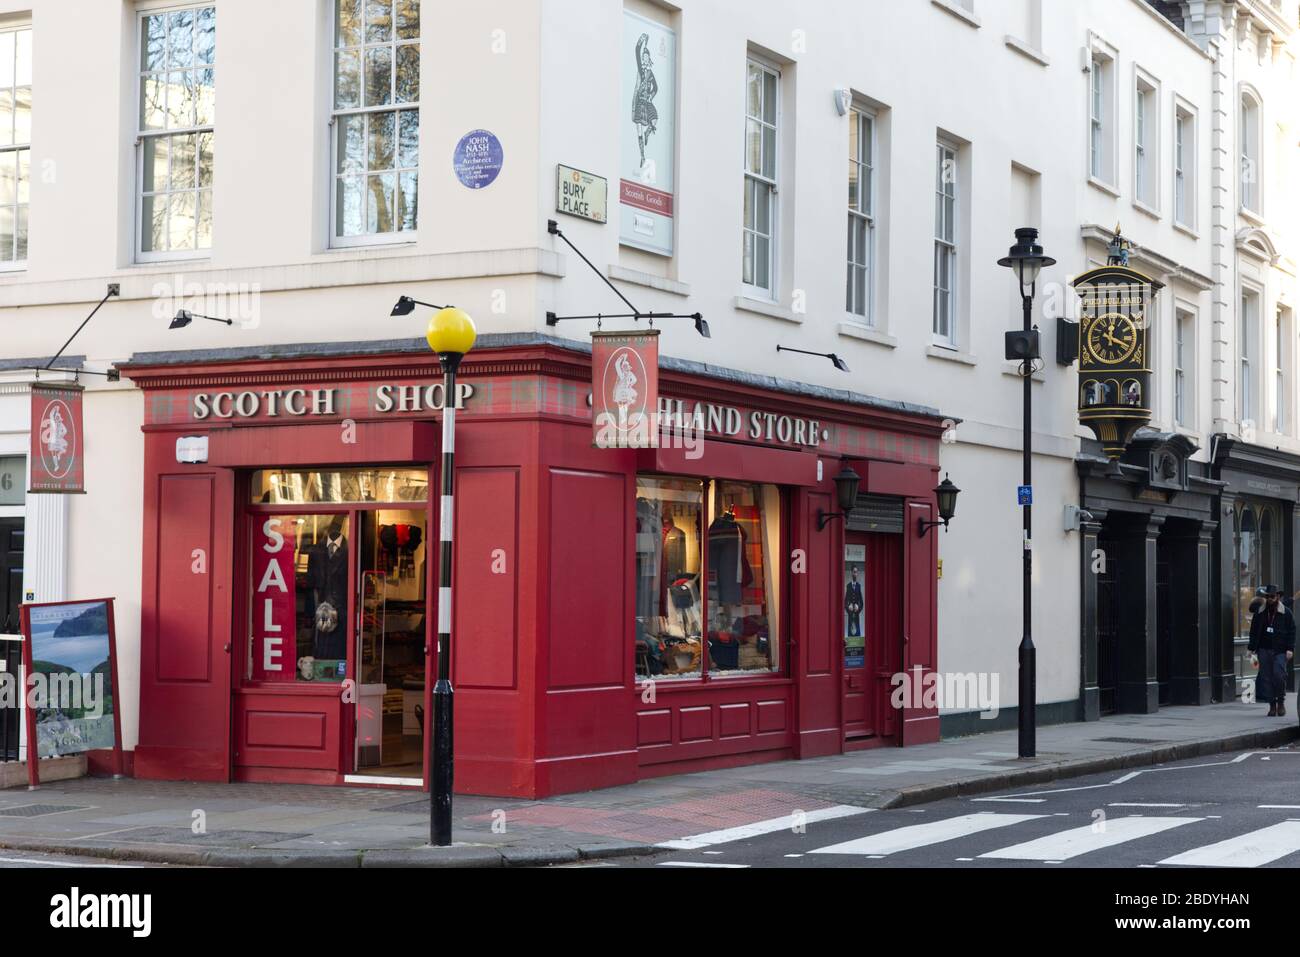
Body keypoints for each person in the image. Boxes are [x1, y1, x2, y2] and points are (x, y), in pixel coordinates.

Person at [1248, 584, 1295, 716]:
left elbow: (1292, 631)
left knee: (1279, 676)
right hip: (1263, 649)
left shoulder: (1286, 613)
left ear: (1278, 597)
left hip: (1280, 650)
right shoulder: (1260, 612)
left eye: (1272, 597)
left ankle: (1281, 701)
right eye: (1267, 596)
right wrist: (1251, 648)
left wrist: (1290, 648)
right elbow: (1253, 631)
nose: (1270, 599)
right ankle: (1272, 705)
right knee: (1266, 678)